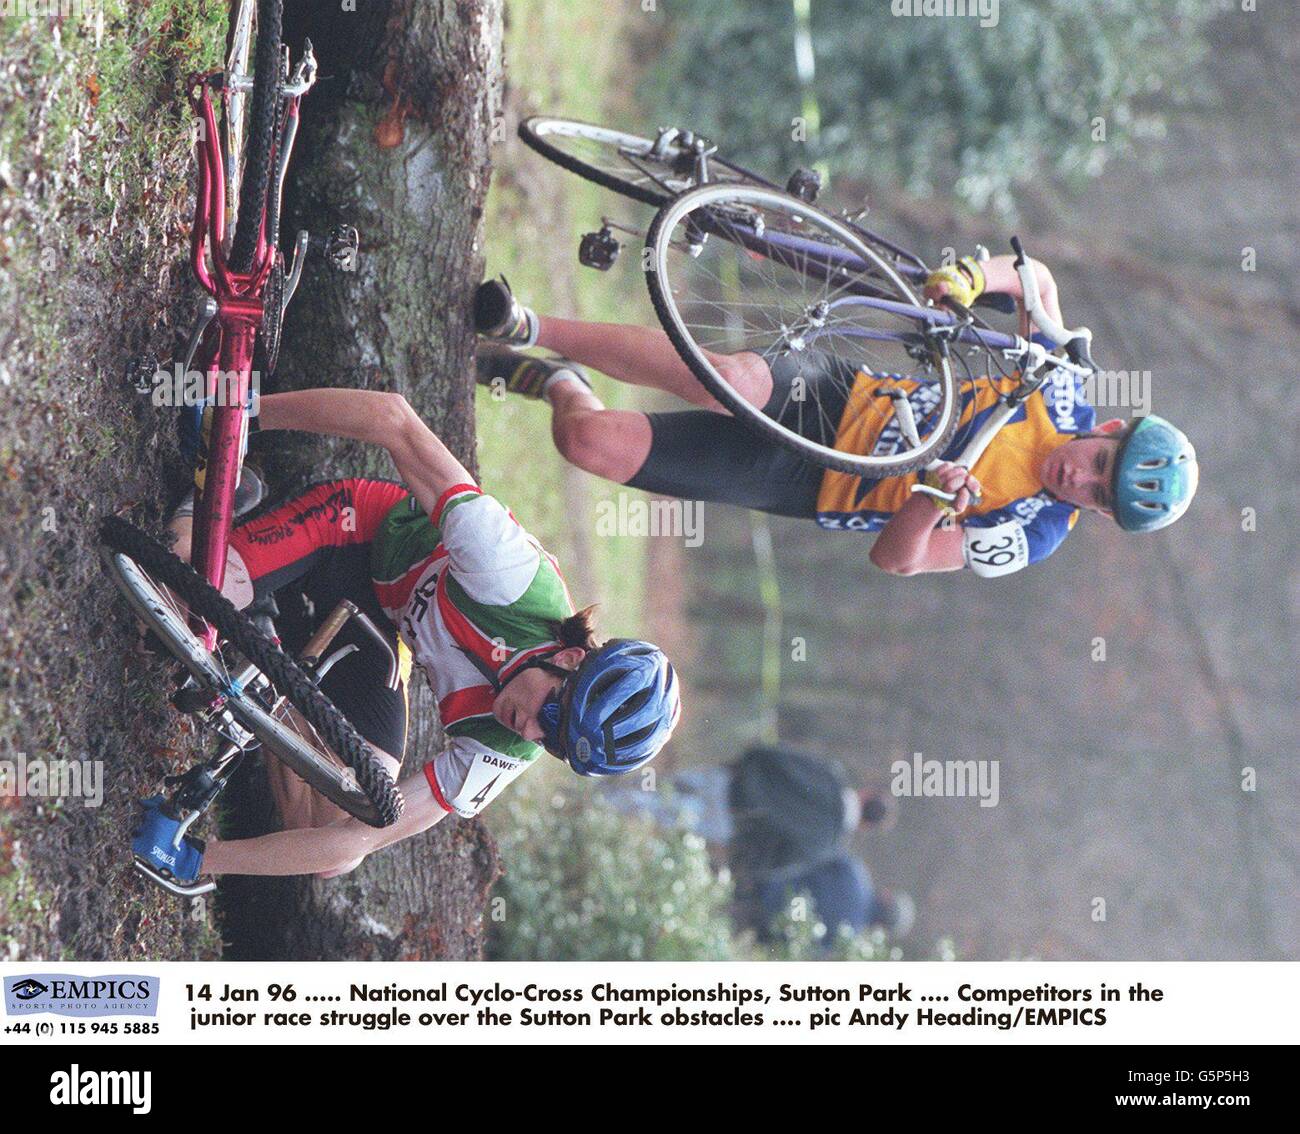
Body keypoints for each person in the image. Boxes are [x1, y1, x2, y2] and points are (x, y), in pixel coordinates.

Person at [131, 386, 681, 886]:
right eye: (554, 712)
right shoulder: (508, 573)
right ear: (570, 656)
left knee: (345, 817)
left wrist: (195, 858)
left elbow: (356, 841)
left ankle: (263, 652)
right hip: (355, 533)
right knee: (174, 605)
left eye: (553, 743)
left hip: (376, 624)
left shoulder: (506, 750)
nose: (532, 729)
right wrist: (243, 414)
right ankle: (212, 508)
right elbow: (395, 419)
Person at [471, 252, 1198, 578]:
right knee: (731, 381)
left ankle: (557, 380)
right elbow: (1035, 279)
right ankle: (528, 326)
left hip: (809, 486)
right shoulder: (1064, 387)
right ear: (1108, 431)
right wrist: (974, 278)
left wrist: (929, 503)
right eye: (1099, 464)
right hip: (838, 398)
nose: (1080, 479)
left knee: (589, 441)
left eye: (1097, 495)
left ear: (1099, 515)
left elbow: (896, 560)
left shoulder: (1032, 533)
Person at [753, 853, 916, 947]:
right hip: (758, 918)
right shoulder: (846, 939)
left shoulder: (855, 873)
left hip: (764, 871)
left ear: (887, 897)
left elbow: (816, 849)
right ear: (881, 927)